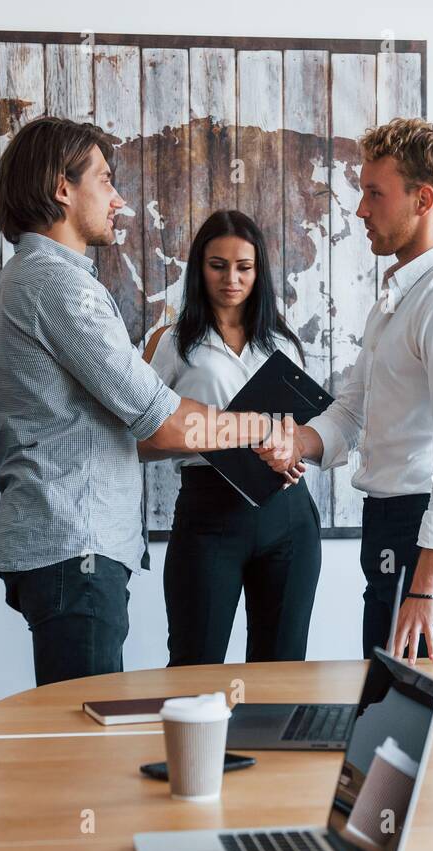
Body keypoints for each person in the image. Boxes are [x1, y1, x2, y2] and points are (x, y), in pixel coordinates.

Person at [0, 116, 298, 686]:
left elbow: (142, 425)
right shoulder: (56, 284)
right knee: (88, 756)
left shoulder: (32, 279)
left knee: (84, 744)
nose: (118, 199)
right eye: (104, 180)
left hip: (70, 549)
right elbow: (162, 419)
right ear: (62, 189)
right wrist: (263, 429)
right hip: (75, 547)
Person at [258, 117, 433, 666]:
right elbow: (351, 411)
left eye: (374, 193)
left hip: (428, 544)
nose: (361, 209)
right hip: (390, 532)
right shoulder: (394, 301)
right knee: (385, 724)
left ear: (423, 199)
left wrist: (425, 590)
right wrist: (296, 441)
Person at [143, 210, 321, 666]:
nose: (231, 279)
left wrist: (290, 447)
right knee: (193, 665)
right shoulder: (172, 342)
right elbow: (140, 439)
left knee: (282, 670)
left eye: (244, 267)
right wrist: (219, 432)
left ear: (259, 271)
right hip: (209, 514)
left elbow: (302, 431)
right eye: (217, 265)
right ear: (199, 268)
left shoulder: (283, 344)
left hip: (288, 513)